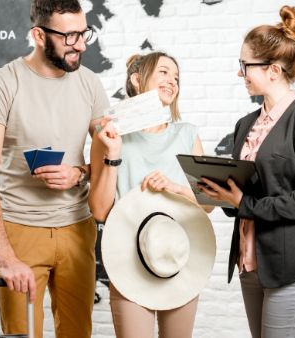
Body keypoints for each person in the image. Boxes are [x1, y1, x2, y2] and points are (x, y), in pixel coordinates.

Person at [0, 0, 109, 337]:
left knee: (78, 332)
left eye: (84, 33)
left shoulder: (90, 84)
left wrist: (80, 172)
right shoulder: (1, 85)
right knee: (21, 333)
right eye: (70, 36)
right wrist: (5, 256)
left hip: (78, 229)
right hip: (20, 233)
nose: (81, 44)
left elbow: (110, 157)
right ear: (38, 35)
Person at [197, 5, 295, 338]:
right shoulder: (246, 125)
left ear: (273, 70)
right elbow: (242, 195)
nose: (240, 74)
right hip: (249, 262)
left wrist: (244, 204)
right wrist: (220, 192)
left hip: (287, 265)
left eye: (245, 66)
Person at [88, 51, 212, 338]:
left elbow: (208, 205)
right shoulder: (107, 136)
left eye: (177, 77)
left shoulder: (187, 135)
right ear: (136, 79)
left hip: (176, 257)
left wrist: (175, 187)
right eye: (164, 73)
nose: (172, 82)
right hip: (130, 260)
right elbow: (99, 210)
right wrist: (114, 155)